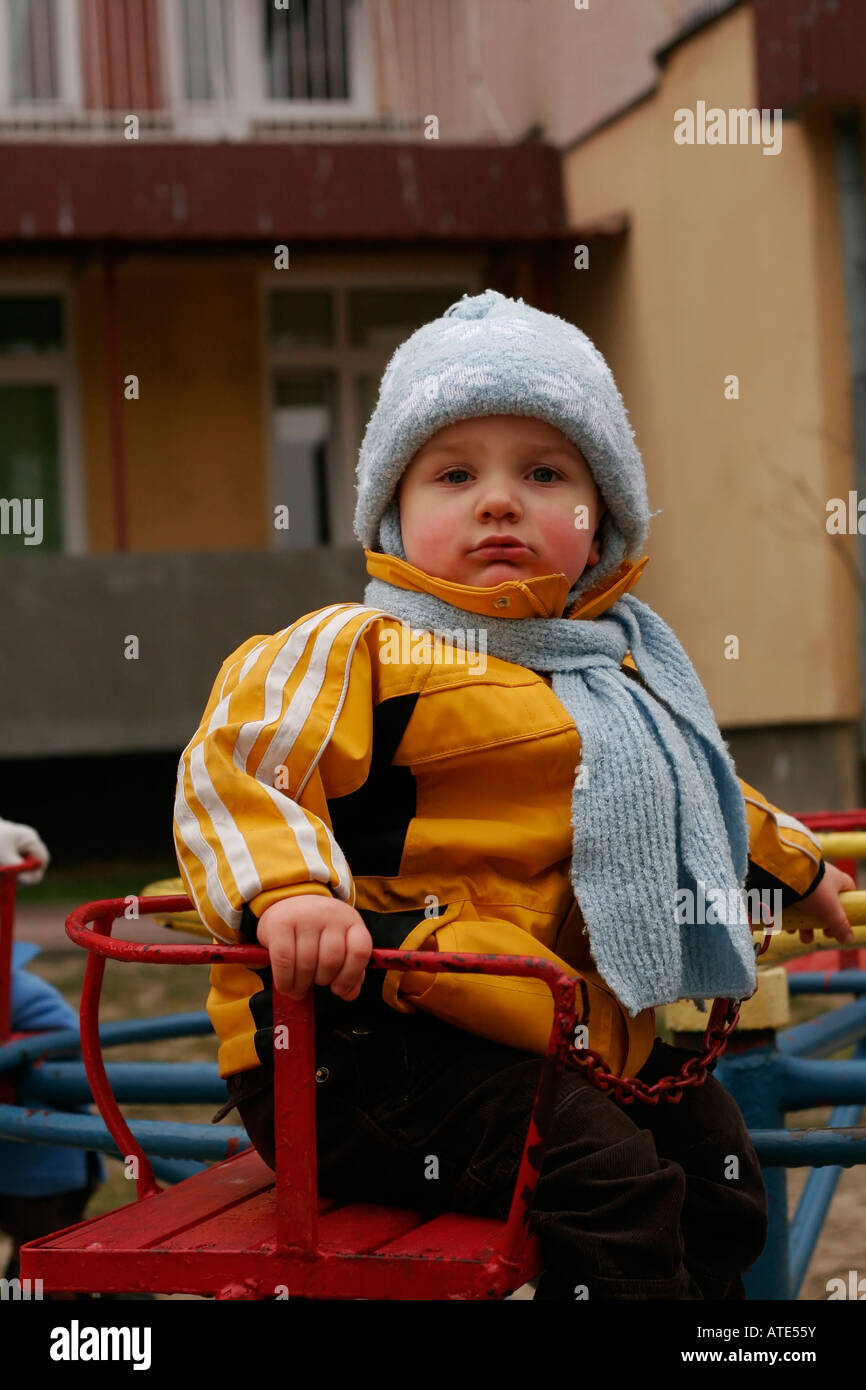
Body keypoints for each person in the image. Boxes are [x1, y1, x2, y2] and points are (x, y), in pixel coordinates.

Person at [174, 289, 853, 1300]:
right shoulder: (355, 647)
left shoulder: (611, 677)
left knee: (716, 1166)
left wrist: (794, 868)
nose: (499, 501)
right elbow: (235, 769)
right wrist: (295, 897)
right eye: (455, 473)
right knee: (608, 1184)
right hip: (361, 1039)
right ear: (394, 514)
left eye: (543, 473)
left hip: (543, 1028)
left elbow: (698, 794)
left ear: (602, 520)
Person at [0, 818, 106, 1295]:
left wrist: (16, 1050)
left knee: (48, 1270)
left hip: (46, 1163)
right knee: (29, 1273)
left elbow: (66, 1039)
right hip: (12, 1157)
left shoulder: (15, 988)